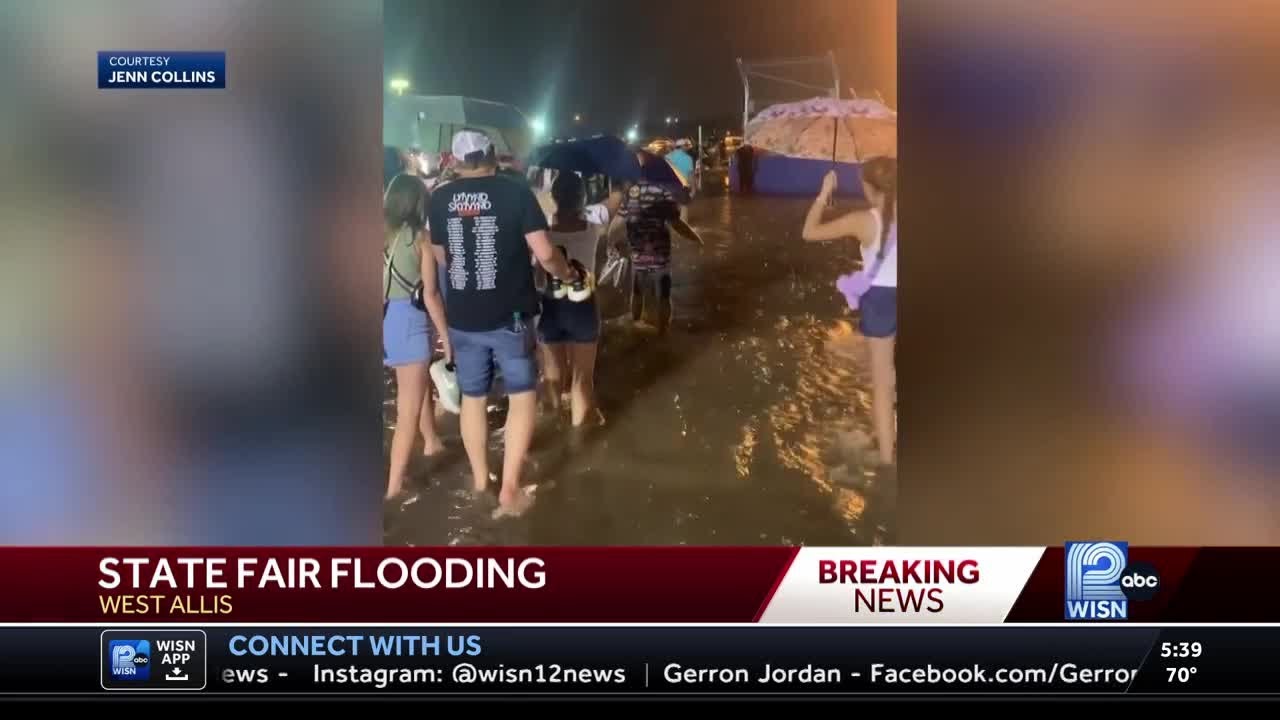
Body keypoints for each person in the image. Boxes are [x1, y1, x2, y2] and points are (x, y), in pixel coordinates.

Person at [425, 129, 579, 517]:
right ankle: (509, 489)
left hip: (463, 317)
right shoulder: (515, 192)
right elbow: (545, 253)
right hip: (510, 315)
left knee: (473, 398)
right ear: (493, 154)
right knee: (522, 393)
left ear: (455, 161)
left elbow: (443, 257)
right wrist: (565, 273)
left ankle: (480, 482)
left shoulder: (440, 198)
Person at [801, 157, 897, 470]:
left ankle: (886, 461)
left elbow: (809, 232)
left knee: (882, 383)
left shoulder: (863, 220)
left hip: (881, 299)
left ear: (870, 187)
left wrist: (824, 192)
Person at [383, 174, 451, 500]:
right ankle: (394, 488)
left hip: (386, 321)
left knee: (412, 387)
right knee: (406, 411)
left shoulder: (381, 236)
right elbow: (431, 296)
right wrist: (447, 339)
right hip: (412, 324)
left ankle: (432, 441)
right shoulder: (421, 240)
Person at [539, 172, 620, 426]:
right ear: (583, 197)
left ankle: (553, 430)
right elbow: (616, 199)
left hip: (550, 305)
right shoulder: (592, 229)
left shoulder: (542, 234)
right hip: (583, 304)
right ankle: (578, 437)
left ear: (554, 198)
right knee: (581, 379)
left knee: (552, 376)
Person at [615, 160, 703, 336]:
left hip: (638, 256)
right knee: (664, 295)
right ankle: (663, 333)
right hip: (660, 257)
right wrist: (696, 239)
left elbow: (618, 222)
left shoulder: (630, 195)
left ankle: (634, 325)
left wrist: (612, 243)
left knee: (637, 292)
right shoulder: (664, 194)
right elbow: (677, 224)